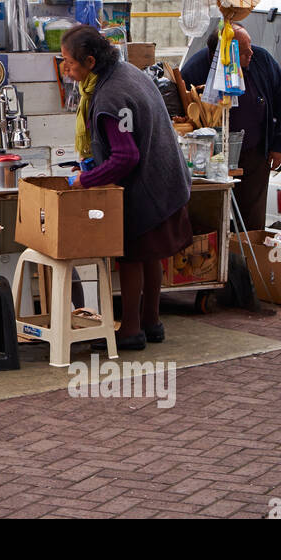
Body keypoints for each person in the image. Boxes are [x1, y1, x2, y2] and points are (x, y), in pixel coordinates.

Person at [61, 25, 193, 351]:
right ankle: (152, 322)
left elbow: (126, 156)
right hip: (166, 180)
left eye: (69, 62)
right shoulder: (125, 71)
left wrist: (85, 180)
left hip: (148, 187)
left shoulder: (109, 96)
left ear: (90, 61)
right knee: (150, 257)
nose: (65, 68)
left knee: (133, 257)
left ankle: (131, 330)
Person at [180, 22, 281, 231]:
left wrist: (279, 144)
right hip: (209, 157)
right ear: (221, 54)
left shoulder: (262, 60)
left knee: (252, 220)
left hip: (254, 152)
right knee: (208, 217)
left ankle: (248, 261)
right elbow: (182, 113)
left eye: (250, 46)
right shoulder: (196, 69)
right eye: (242, 51)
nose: (251, 53)